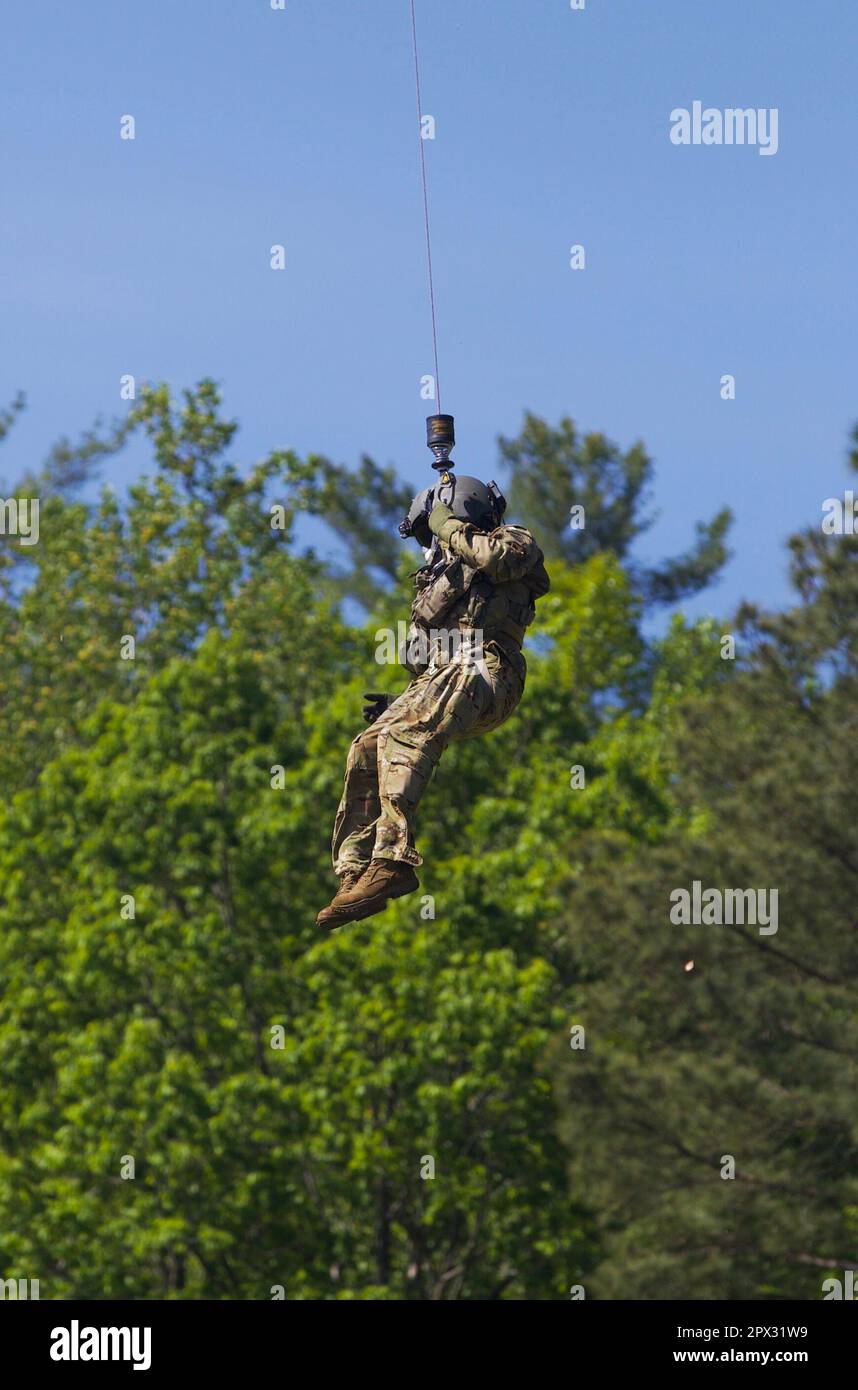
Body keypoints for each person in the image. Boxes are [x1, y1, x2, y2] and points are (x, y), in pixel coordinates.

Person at [316, 473, 550, 928]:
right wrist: (396, 704)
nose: (431, 546)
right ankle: (355, 872)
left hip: (488, 670)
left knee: (406, 732)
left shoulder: (514, 541)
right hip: (448, 678)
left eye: (433, 533)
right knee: (368, 745)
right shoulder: (437, 582)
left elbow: (496, 560)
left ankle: (393, 860)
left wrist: (443, 523)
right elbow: (423, 665)